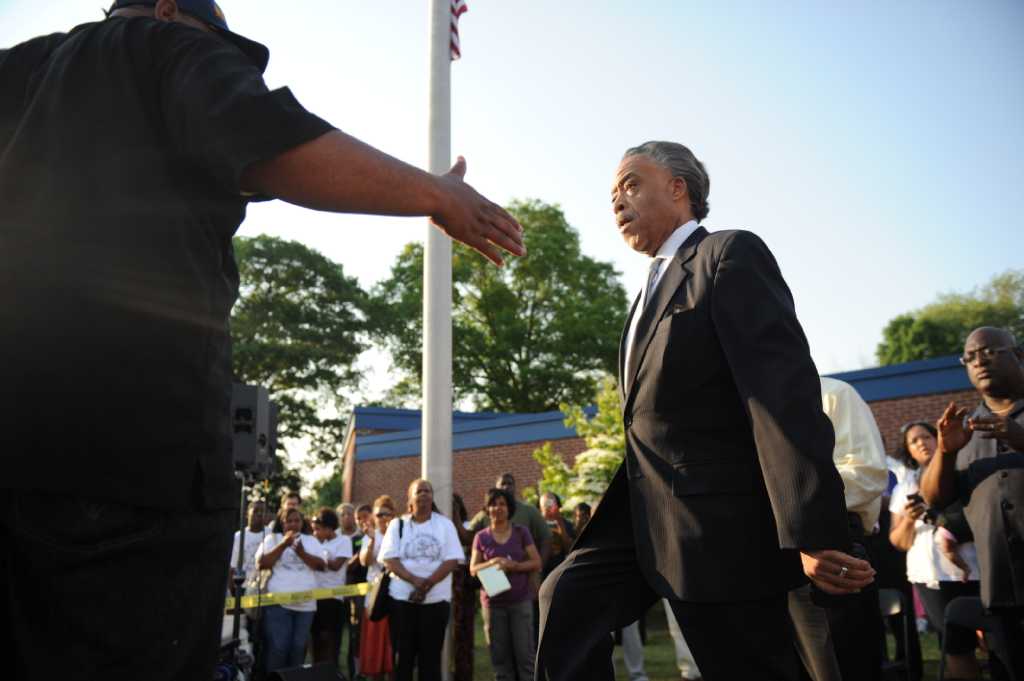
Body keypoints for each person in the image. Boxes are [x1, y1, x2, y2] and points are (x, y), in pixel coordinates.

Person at [0, 0, 524, 677]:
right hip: (137, 464)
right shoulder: (163, 45)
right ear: (167, 8)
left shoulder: (18, 70)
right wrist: (434, 195)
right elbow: (269, 140)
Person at [536, 140, 873, 681]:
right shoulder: (647, 292)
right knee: (565, 596)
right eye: (611, 195)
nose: (616, 202)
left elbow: (780, 396)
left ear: (678, 187)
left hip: (716, 527)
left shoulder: (727, 255)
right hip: (642, 517)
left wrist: (815, 530)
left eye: (629, 184)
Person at [920, 326, 1024, 677]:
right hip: (1001, 592)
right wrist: (946, 453)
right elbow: (935, 499)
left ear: (1019, 355)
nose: (979, 361)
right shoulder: (967, 428)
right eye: (970, 356)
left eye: (990, 351)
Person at [789, 376, 889, 681]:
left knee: (841, 666)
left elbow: (866, 473)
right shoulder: (743, 404)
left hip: (830, 538)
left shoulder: (833, 393)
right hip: (765, 549)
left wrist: (790, 500)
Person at [889, 420, 983, 679]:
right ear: (908, 451)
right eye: (913, 441)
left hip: (977, 569)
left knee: (997, 639)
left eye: (926, 436)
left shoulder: (965, 472)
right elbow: (898, 541)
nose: (921, 443)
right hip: (932, 576)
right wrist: (910, 518)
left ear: (938, 438)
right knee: (955, 647)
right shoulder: (904, 488)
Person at [380, 479, 464, 681]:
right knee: (403, 658)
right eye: (419, 491)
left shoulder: (445, 525)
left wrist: (427, 584)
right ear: (410, 498)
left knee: (431, 659)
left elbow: (453, 559)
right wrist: (415, 580)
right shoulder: (396, 525)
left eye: (428, 491)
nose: (424, 494)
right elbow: (389, 559)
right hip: (401, 602)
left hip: (435, 603)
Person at [470, 487, 542, 681]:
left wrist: (514, 565)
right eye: (493, 504)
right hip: (493, 605)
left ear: (509, 508)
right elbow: (473, 569)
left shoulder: (521, 532)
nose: (497, 508)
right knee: (500, 659)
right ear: (487, 508)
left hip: (520, 602)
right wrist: (493, 562)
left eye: (502, 504)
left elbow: (536, 561)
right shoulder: (481, 537)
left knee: (525, 655)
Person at [256, 507, 326, 672]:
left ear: (302, 523)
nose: (293, 524)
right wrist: (283, 544)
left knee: (298, 649)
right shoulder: (272, 539)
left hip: (306, 606)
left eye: (297, 521)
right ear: (282, 523)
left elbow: (322, 566)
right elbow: (262, 563)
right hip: (278, 604)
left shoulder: (311, 541)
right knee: (278, 648)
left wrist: (301, 553)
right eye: (289, 521)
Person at [359, 495, 397, 681]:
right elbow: (365, 561)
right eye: (379, 514)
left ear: (393, 515)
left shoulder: (399, 534)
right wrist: (373, 540)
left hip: (396, 597)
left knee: (393, 654)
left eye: (386, 514)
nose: (382, 518)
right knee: (375, 657)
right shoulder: (370, 536)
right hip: (375, 599)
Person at [310, 508, 354, 667]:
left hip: (333, 598)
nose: (314, 533)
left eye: (318, 529)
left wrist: (319, 559)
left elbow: (336, 565)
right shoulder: (314, 542)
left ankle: (330, 672)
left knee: (330, 640)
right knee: (316, 639)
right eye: (313, 529)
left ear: (329, 528)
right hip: (314, 597)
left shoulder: (344, 541)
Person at [539, 492, 576, 579]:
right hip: (543, 572)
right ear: (540, 507)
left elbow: (569, 549)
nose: (548, 506)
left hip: (562, 570)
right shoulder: (536, 524)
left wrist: (560, 523)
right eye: (545, 503)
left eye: (550, 502)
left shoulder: (566, 523)